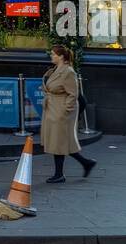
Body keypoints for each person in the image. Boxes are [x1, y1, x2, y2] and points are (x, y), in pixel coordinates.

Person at [40, 44, 96, 184]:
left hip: (60, 110)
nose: (51, 56)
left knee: (59, 142)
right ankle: (86, 163)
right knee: (60, 142)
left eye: (53, 54)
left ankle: (60, 174)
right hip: (53, 108)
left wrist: (65, 111)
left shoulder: (68, 72)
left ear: (61, 57)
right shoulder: (55, 70)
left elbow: (73, 94)